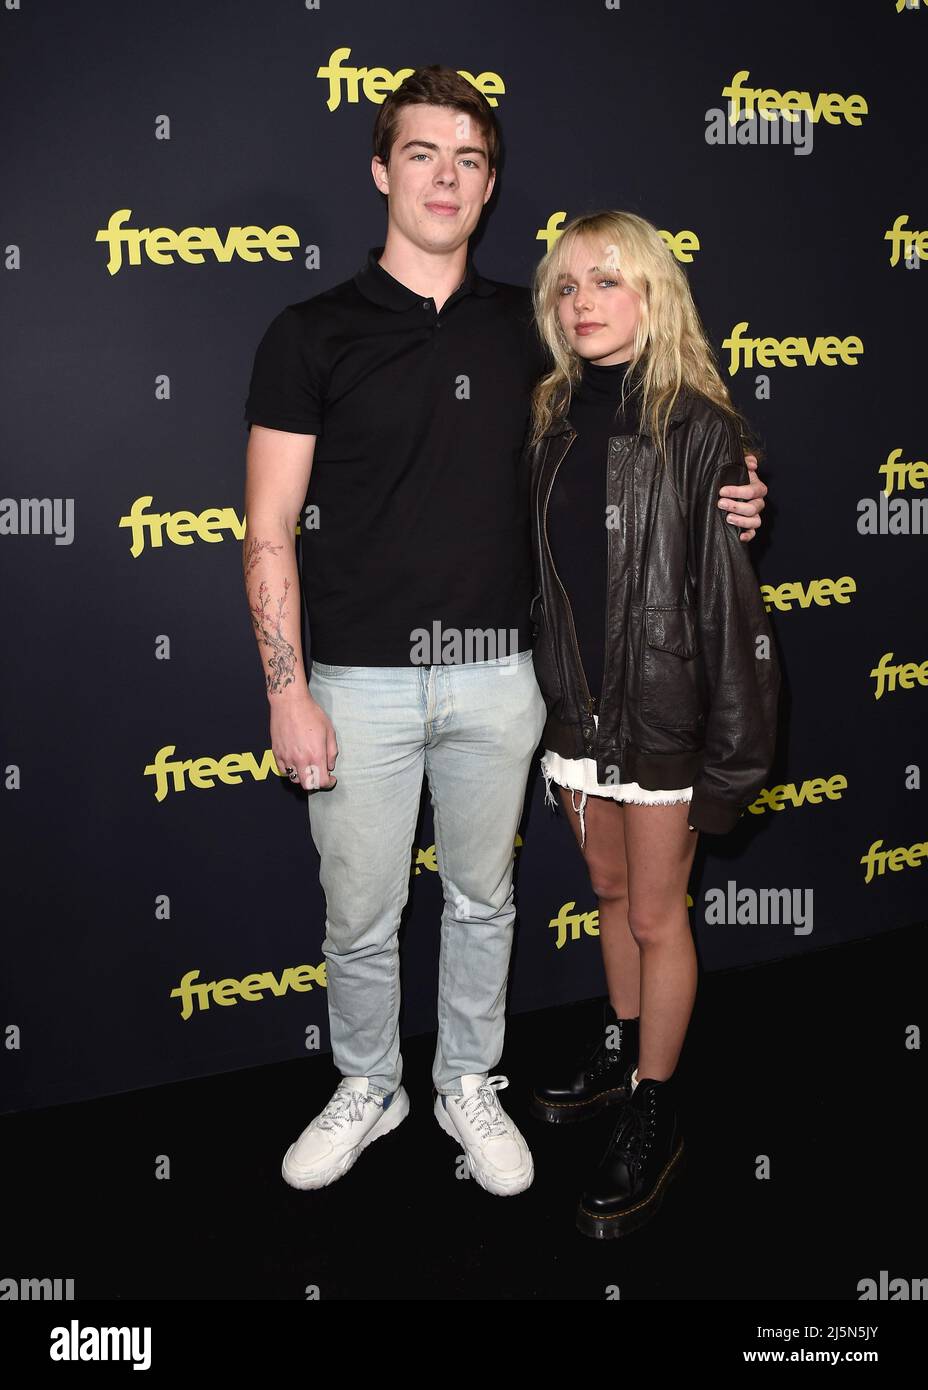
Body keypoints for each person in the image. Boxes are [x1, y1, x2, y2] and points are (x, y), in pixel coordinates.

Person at [241, 67, 770, 1199]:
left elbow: (652, 421)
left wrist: (737, 487)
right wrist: (287, 689)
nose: (445, 176)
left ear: (488, 189)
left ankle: (468, 1082)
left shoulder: (535, 333)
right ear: (383, 172)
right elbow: (268, 525)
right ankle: (369, 1085)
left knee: (487, 903)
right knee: (361, 916)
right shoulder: (308, 332)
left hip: (506, 682)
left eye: (469, 160)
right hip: (358, 683)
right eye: (422, 154)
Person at [523, 210, 781, 1237]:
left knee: (651, 916)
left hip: (665, 715)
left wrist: (731, 758)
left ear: (652, 296)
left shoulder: (701, 426)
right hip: (572, 707)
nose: (582, 301)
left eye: (607, 281)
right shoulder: (545, 413)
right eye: (566, 285)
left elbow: (730, 613)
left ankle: (656, 1101)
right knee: (605, 888)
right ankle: (624, 1039)